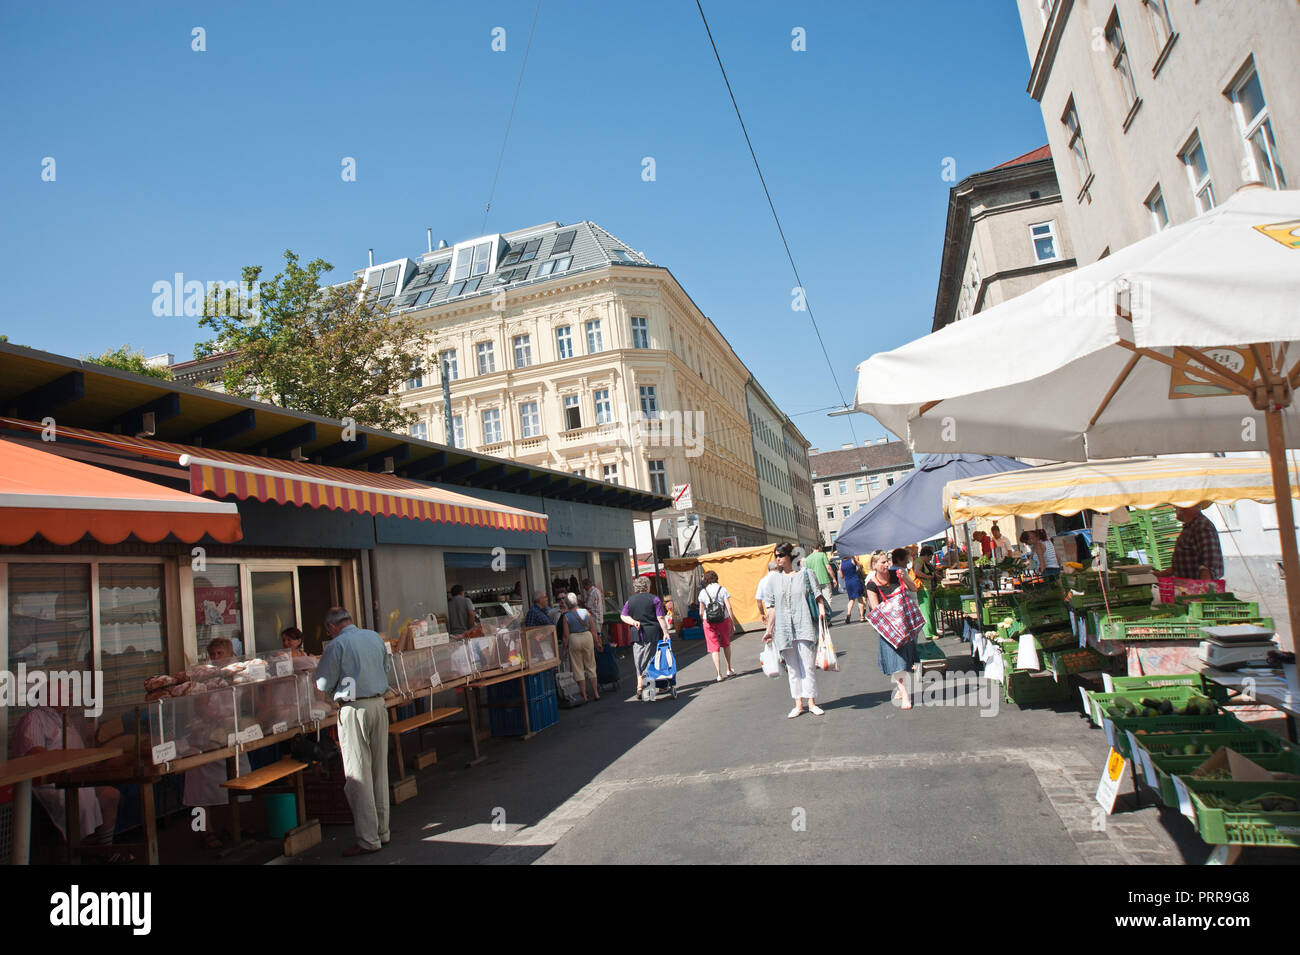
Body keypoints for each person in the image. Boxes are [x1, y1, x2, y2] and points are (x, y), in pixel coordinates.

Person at [315, 606, 391, 856]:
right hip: (379, 705)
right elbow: (386, 669)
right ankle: (382, 831)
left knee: (359, 775)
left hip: (353, 708)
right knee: (379, 770)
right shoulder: (374, 637)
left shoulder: (336, 645)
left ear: (331, 627)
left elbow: (323, 683)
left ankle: (368, 839)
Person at [13, 706, 123, 857]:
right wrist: (63, 762)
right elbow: (35, 753)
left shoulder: (65, 719)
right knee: (78, 802)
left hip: (74, 776)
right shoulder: (34, 719)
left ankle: (106, 853)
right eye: (63, 692)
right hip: (48, 782)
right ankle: (76, 854)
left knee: (110, 795)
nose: (70, 695)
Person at [183, 635, 251, 850]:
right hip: (205, 737)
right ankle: (203, 831)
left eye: (220, 654)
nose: (216, 658)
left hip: (231, 734)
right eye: (213, 655)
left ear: (230, 654)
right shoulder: (204, 676)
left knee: (233, 786)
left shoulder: (237, 676)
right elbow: (199, 707)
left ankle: (231, 827)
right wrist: (217, 718)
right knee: (201, 795)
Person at [764, 542, 825, 718]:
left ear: (790, 556)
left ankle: (811, 702)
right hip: (784, 630)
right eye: (776, 556)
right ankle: (798, 704)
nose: (777, 559)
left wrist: (822, 617)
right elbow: (772, 607)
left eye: (780, 555)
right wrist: (769, 630)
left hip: (804, 625)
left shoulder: (806, 574)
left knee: (808, 665)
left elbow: (818, 597)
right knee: (792, 668)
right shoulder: (773, 579)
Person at [866, 549, 919, 709]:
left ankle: (900, 688)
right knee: (897, 662)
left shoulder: (897, 575)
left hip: (905, 624)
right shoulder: (872, 585)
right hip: (889, 629)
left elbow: (914, 588)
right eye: (883, 562)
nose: (887, 564)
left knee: (905, 661)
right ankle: (905, 694)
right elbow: (875, 610)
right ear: (874, 565)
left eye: (887, 561)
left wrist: (905, 578)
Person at [620, 576, 670, 701]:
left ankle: (639, 686)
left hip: (637, 635)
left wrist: (633, 622)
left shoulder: (630, 601)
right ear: (647, 586)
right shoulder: (655, 599)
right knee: (651, 660)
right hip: (652, 634)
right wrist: (666, 632)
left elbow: (623, 616)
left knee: (639, 660)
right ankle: (650, 689)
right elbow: (661, 618)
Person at [560, 593, 602, 701]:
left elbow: (565, 636)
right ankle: (596, 693)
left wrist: (564, 650)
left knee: (577, 668)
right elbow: (593, 629)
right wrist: (597, 642)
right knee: (591, 665)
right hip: (587, 637)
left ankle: (584, 695)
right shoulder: (586, 612)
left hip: (574, 638)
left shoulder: (566, 616)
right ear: (577, 601)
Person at [698, 570, 736, 682]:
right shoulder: (722, 589)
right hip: (723, 619)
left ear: (706, 580)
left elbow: (700, 612)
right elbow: (729, 607)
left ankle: (719, 674)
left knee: (714, 647)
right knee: (726, 643)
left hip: (708, 621)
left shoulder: (702, 592)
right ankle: (729, 668)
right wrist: (732, 622)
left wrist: (704, 619)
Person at [1169, 503, 1224, 580]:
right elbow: (1179, 567)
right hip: (1187, 589)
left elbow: (1208, 567)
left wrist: (1203, 590)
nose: (1175, 508)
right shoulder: (1191, 527)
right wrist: (1157, 574)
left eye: (1176, 505)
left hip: (1196, 589)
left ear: (1186, 506)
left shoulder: (1202, 526)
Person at [803, 544, 836, 622]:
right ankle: (827, 619)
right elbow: (828, 567)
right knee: (827, 599)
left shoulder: (807, 559)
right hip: (824, 580)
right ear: (819, 548)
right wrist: (834, 578)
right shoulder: (822, 555)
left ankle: (821, 617)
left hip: (813, 583)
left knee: (818, 600)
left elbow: (806, 572)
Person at [914, 546, 938, 638]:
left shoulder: (922, 561)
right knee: (926, 612)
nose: (930, 559)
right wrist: (928, 577)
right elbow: (917, 571)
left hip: (927, 588)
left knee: (930, 611)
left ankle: (933, 631)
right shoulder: (919, 561)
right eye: (929, 557)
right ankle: (929, 633)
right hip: (923, 589)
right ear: (926, 555)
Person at [840, 553, 867, 623]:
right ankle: (862, 617)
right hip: (855, 580)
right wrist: (855, 559)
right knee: (860, 598)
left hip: (848, 583)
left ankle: (848, 613)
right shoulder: (852, 560)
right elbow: (860, 566)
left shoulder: (841, 563)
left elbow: (841, 576)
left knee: (851, 599)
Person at [582, 577, 605, 645]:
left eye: (584, 586)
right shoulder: (596, 590)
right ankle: (599, 651)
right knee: (598, 635)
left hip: (595, 618)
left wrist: (580, 603)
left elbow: (588, 606)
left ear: (587, 585)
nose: (584, 588)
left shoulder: (592, 593)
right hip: (598, 617)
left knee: (596, 637)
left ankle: (599, 652)